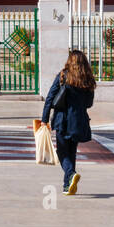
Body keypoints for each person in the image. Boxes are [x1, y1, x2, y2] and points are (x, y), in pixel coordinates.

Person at [42, 49, 96, 196]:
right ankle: (67, 185)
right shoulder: (88, 79)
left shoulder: (62, 76)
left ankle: (71, 174)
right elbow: (89, 103)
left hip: (62, 119)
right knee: (71, 152)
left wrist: (44, 120)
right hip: (79, 120)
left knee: (62, 152)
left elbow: (50, 98)